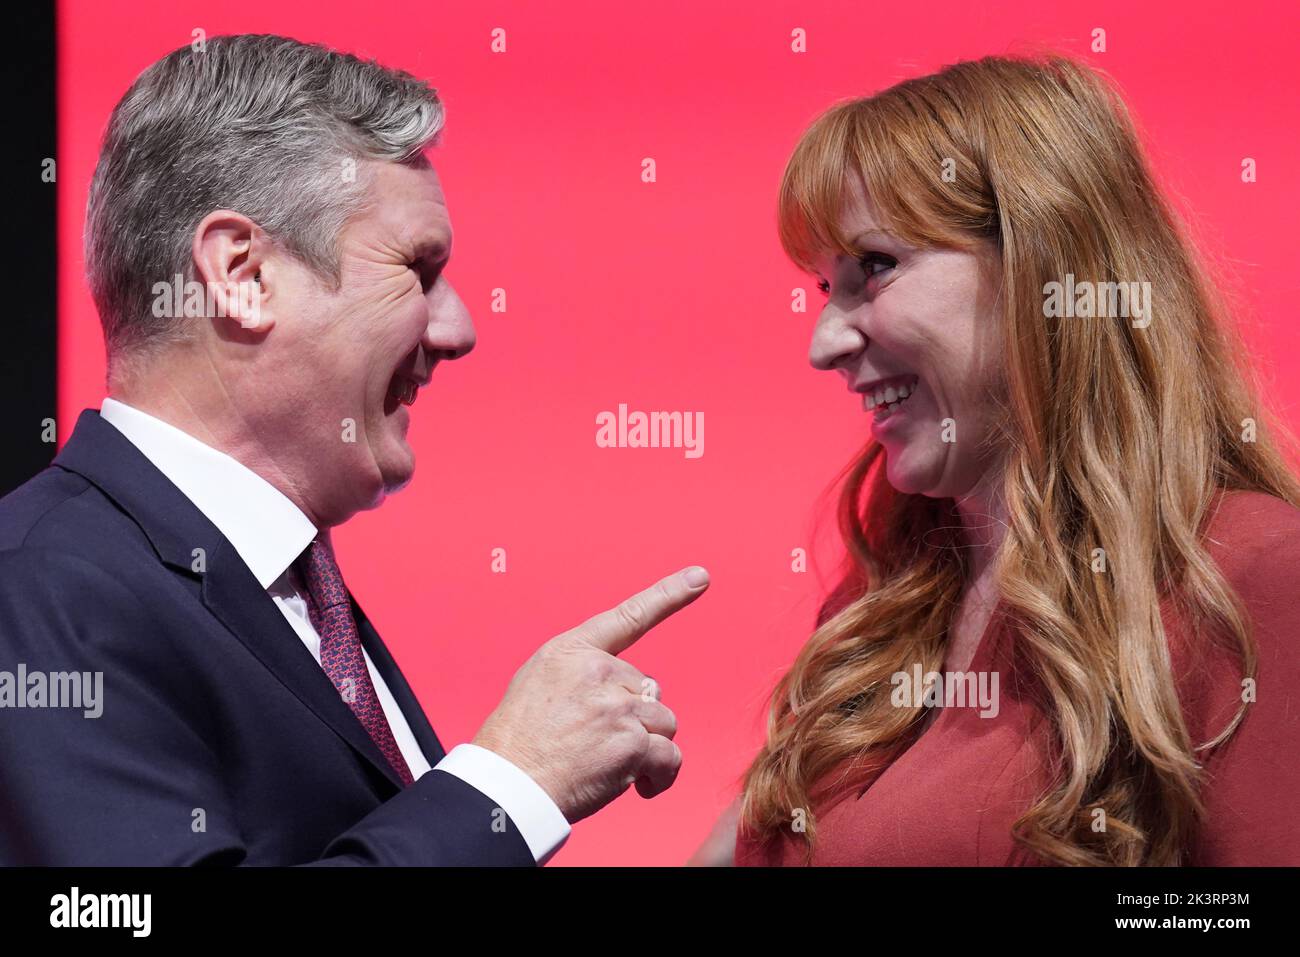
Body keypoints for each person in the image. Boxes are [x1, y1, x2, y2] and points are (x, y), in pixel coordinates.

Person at [0, 34, 708, 866]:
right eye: (417, 268)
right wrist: (516, 783)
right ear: (242, 274)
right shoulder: (37, 582)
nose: (459, 329)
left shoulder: (285, 589)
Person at [720, 54, 1300, 866]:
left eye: (875, 268)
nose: (824, 344)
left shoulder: (1250, 573)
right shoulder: (881, 609)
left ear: (1042, 263)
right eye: (824, 287)